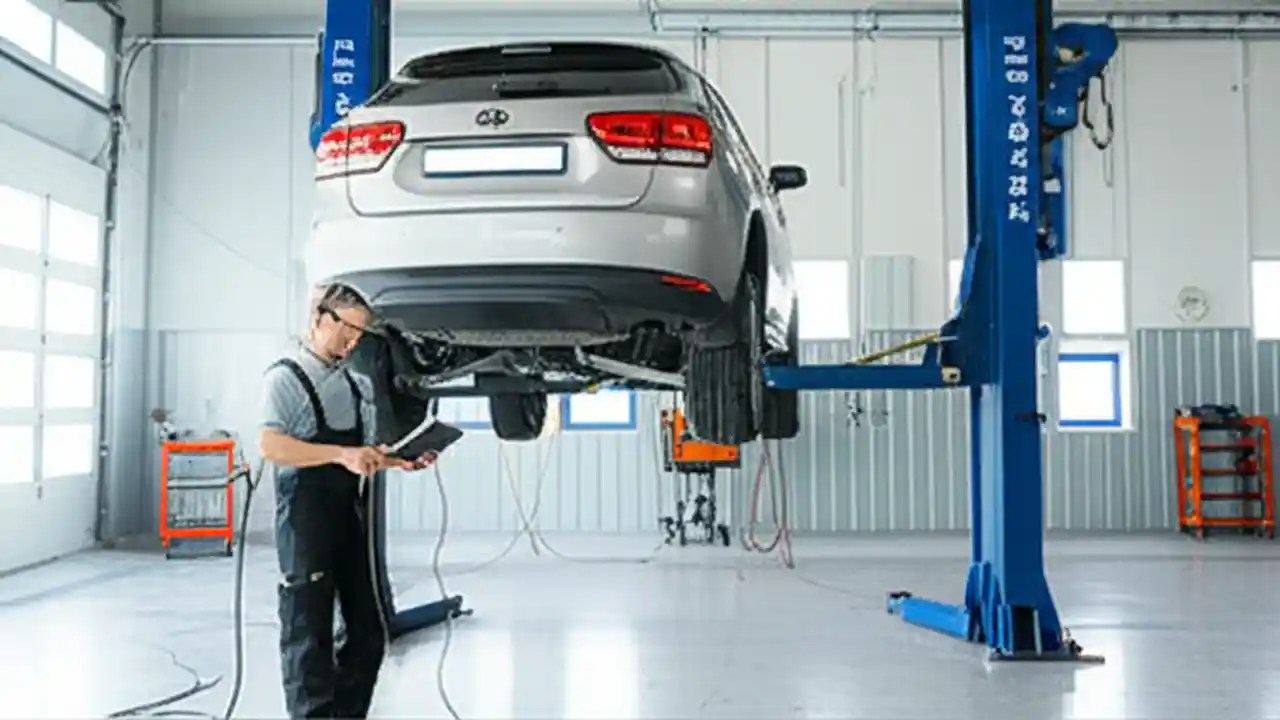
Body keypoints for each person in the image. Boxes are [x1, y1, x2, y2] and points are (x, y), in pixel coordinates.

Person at [258, 281, 437, 718]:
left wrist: (401, 462)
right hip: (304, 523)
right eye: (348, 330)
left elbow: (366, 454)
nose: (353, 341)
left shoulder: (357, 384)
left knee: (368, 632)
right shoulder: (286, 376)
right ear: (321, 318)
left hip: (346, 520)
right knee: (309, 639)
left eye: (360, 334)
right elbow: (271, 445)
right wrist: (340, 453)